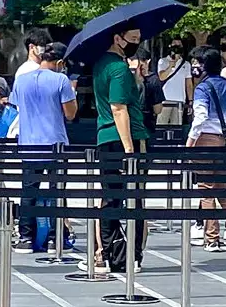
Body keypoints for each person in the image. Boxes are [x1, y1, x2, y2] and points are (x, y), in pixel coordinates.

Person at [93, 24, 149, 275]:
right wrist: (129, 148)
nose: (136, 43)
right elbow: (119, 108)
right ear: (118, 38)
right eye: (133, 39)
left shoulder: (100, 64)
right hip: (126, 137)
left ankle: (110, 253)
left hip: (105, 137)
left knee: (110, 197)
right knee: (134, 199)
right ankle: (130, 256)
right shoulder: (118, 68)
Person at [13, 42, 78, 254]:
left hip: (29, 142)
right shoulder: (61, 80)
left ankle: (25, 236)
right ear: (59, 62)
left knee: (28, 190)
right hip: (54, 142)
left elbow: (17, 106)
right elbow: (70, 113)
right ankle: (55, 237)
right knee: (55, 191)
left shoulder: (21, 80)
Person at [184, 46, 226, 251]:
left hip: (204, 140)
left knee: (206, 190)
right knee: (223, 189)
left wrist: (190, 142)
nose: (195, 66)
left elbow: (200, 117)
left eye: (197, 62)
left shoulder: (202, 88)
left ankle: (211, 237)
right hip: (223, 140)